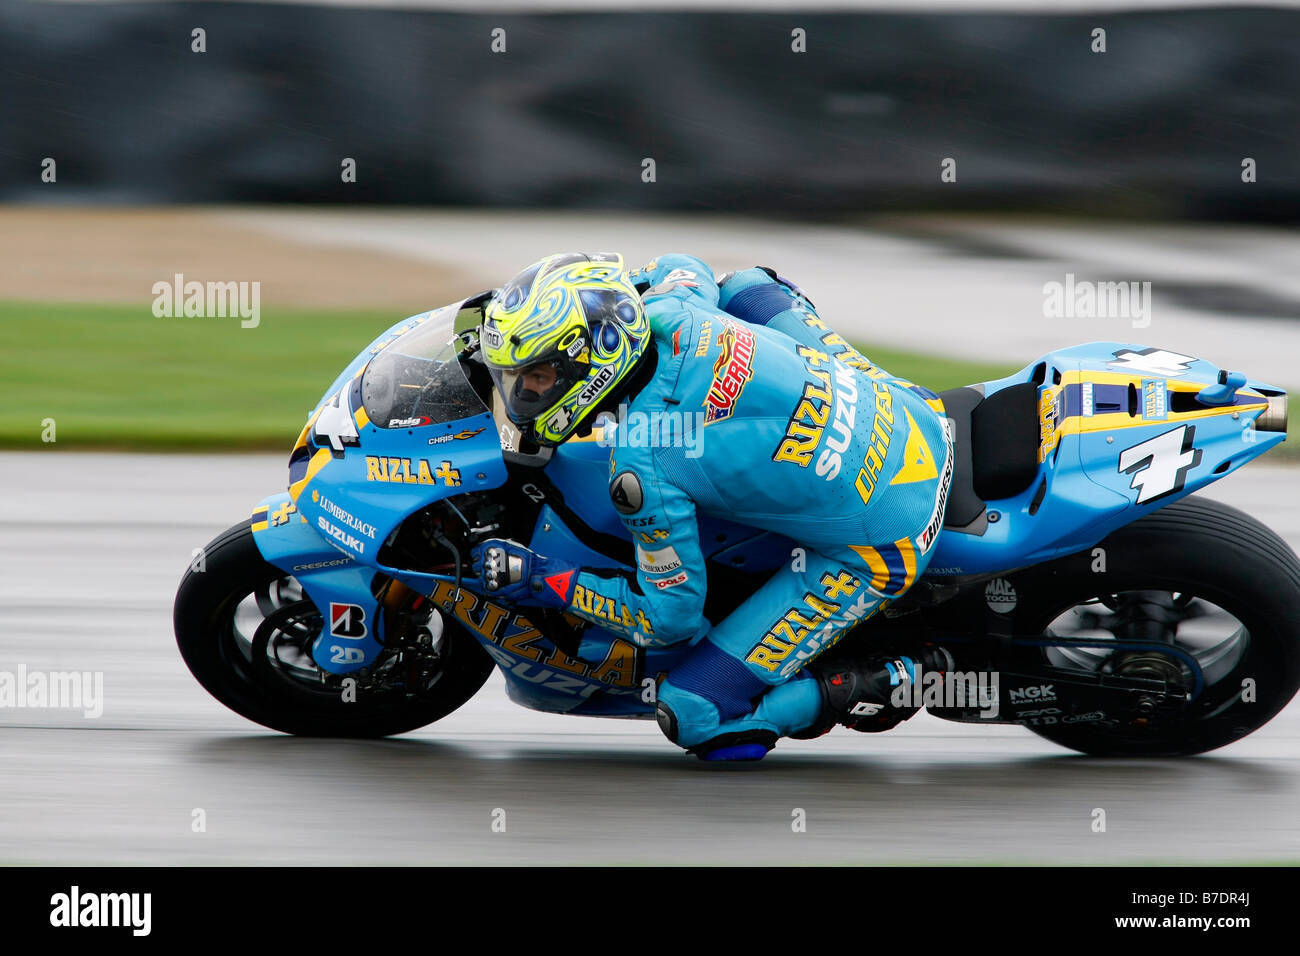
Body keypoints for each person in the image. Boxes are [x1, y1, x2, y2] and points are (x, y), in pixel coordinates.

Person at [471, 252, 955, 760]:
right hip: (909, 408)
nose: (522, 393)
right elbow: (681, 263)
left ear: (592, 359)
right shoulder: (673, 309)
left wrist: (546, 579)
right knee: (745, 284)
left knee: (692, 713)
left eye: (539, 377)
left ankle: (903, 675)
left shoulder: (644, 464)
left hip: (890, 531)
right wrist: (619, 296)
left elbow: (669, 620)